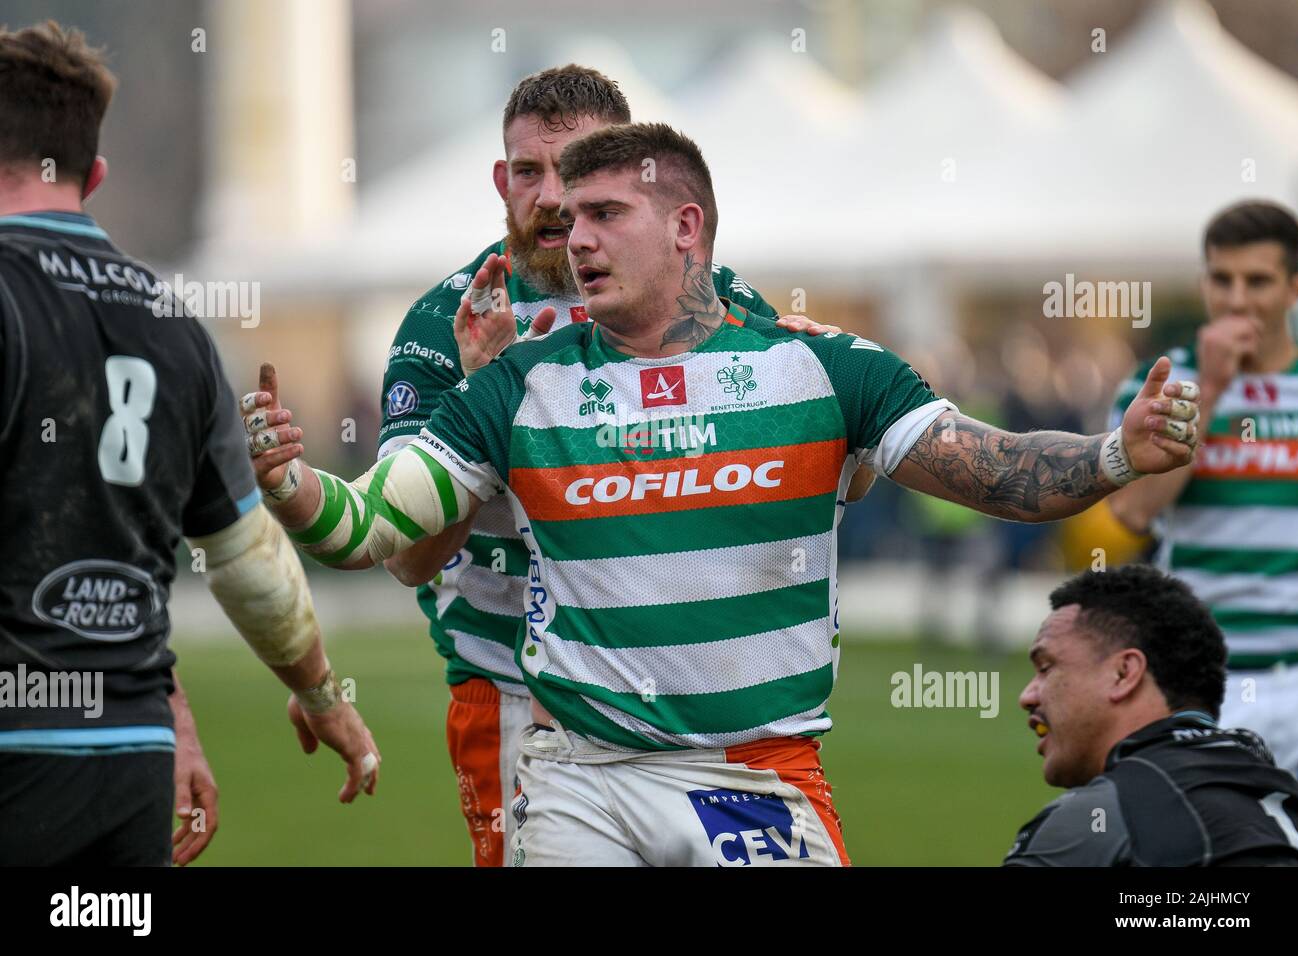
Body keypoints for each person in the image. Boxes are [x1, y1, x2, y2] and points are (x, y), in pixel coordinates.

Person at [244, 122, 1201, 866]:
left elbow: (996, 471)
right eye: (569, 216)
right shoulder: (518, 382)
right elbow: (370, 526)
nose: (573, 237)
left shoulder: (816, 366)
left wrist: (1117, 452)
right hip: (581, 777)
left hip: (756, 776)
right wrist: (291, 484)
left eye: (605, 213)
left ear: (685, 226)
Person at [254, 64, 834, 867]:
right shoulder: (440, 320)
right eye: (529, 171)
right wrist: (479, 403)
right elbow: (410, 560)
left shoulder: (711, 299)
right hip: (513, 690)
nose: (554, 197)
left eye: (579, 171)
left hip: (683, 687)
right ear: (502, 178)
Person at [0, 21, 378, 866]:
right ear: (94, 174)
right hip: (130, 765)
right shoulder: (179, 328)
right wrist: (319, 693)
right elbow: (247, 561)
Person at [1108, 200, 1298, 776]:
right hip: (1203, 679)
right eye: (1223, 279)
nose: (1237, 299)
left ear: (1294, 288)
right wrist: (1211, 388)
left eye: (1257, 281)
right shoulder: (1162, 385)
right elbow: (1132, 510)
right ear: (1203, 282)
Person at [1004, 565, 1298, 866]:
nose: (1026, 697)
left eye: (1046, 668)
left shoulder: (1096, 823)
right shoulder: (1277, 791)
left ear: (1123, 673)